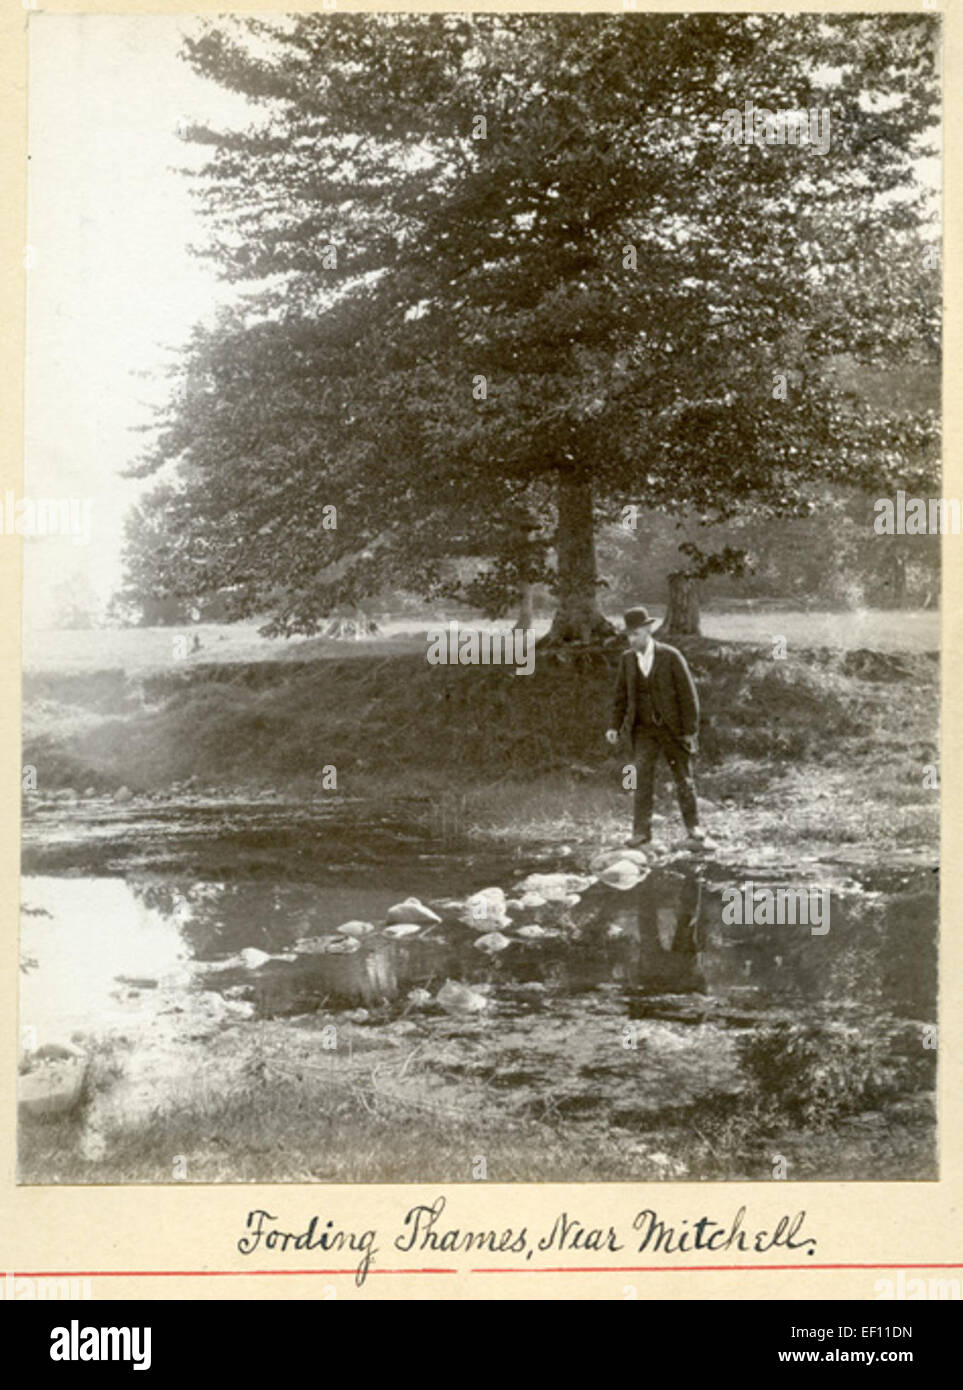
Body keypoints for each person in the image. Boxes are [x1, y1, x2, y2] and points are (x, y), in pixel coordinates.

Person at [605, 605, 715, 851]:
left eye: (636, 634)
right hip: (643, 730)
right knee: (640, 778)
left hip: (673, 729)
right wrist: (614, 726)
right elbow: (620, 697)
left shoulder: (671, 656)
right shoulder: (627, 660)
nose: (632, 640)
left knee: (683, 778)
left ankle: (694, 827)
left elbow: (688, 696)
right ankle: (641, 833)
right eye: (629, 635)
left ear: (648, 630)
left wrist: (690, 731)